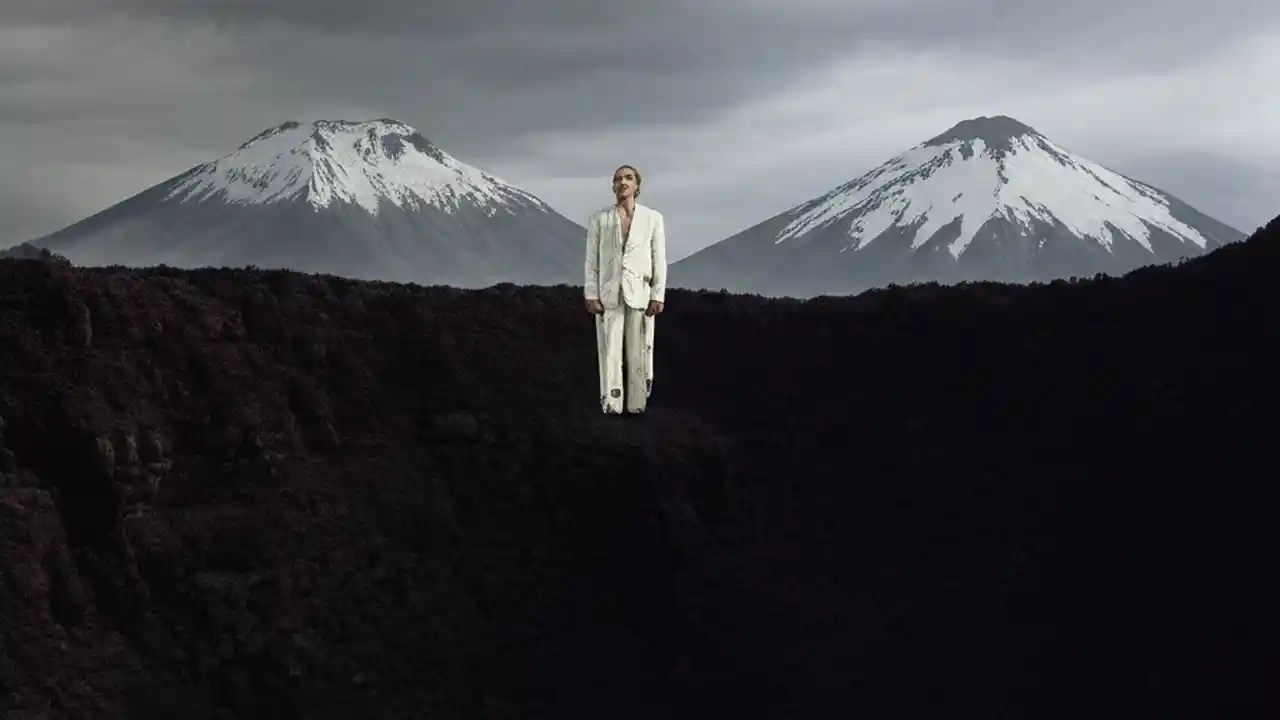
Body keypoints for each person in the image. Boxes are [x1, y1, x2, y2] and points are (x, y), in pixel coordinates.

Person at [583, 164, 667, 415]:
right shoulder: (600, 218)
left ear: (637, 185)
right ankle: (612, 403)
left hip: (639, 291)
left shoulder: (653, 218)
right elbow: (591, 258)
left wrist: (657, 294)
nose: (623, 182)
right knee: (610, 350)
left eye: (628, 178)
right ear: (613, 186)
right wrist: (590, 292)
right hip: (609, 291)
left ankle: (637, 403)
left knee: (638, 350)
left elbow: (658, 258)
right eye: (618, 179)